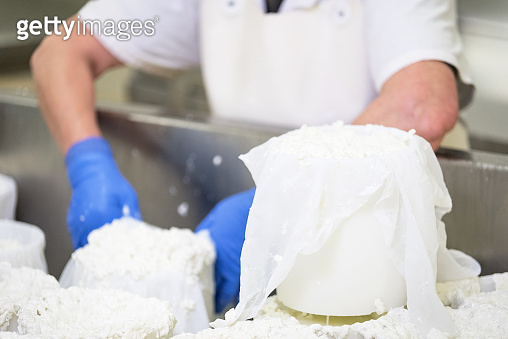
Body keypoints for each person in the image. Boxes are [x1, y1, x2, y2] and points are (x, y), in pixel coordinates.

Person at [31, 0, 474, 313]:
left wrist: (278, 203)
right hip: (248, 204)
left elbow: (421, 105)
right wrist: (88, 163)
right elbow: (62, 49)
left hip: (373, 247)